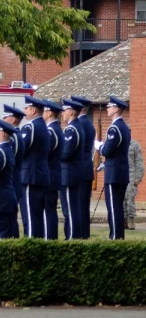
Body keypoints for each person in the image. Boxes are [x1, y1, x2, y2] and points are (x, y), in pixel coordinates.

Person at [97, 96, 131, 240]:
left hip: (114, 173)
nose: (107, 108)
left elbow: (107, 151)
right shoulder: (124, 127)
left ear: (116, 109)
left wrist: (98, 145)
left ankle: (116, 237)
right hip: (121, 172)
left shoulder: (115, 128)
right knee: (117, 206)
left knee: (114, 207)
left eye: (110, 106)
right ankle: (118, 236)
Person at [19, 96, 50, 239]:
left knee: (30, 216)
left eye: (26, 108)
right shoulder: (43, 125)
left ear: (33, 110)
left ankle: (31, 244)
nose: (25, 111)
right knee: (37, 214)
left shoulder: (31, 126)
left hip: (30, 175)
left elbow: (21, 149)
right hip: (40, 174)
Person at [71, 95, 97, 238]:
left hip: (79, 167)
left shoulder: (80, 124)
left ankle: (79, 235)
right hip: (86, 166)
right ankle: (84, 234)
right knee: (83, 205)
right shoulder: (88, 123)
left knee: (79, 204)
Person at [59, 99, 84, 240]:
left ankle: (72, 237)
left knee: (69, 208)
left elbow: (65, 153)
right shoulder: (76, 127)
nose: (63, 113)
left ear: (72, 112)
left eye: (65, 110)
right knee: (70, 207)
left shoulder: (71, 129)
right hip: (71, 172)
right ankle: (73, 235)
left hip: (69, 172)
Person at [1, 105, 25, 238]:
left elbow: (10, 161)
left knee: (8, 218)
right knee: (11, 218)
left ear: (13, 120)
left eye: (6, 117)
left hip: (11, 180)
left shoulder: (13, 137)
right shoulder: (17, 135)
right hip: (14, 179)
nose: (4, 119)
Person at [42, 99, 63, 240]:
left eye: (44, 110)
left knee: (47, 210)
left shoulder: (51, 131)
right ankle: (51, 237)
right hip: (54, 174)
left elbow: (45, 153)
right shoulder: (57, 129)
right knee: (50, 209)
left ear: (49, 113)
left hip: (49, 174)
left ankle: (49, 238)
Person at [125, 137, 143, 230]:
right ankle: (123, 221)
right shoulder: (119, 143)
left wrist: (138, 178)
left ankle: (130, 220)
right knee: (121, 199)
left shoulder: (134, 145)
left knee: (130, 198)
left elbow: (139, 162)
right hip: (120, 174)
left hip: (131, 175)